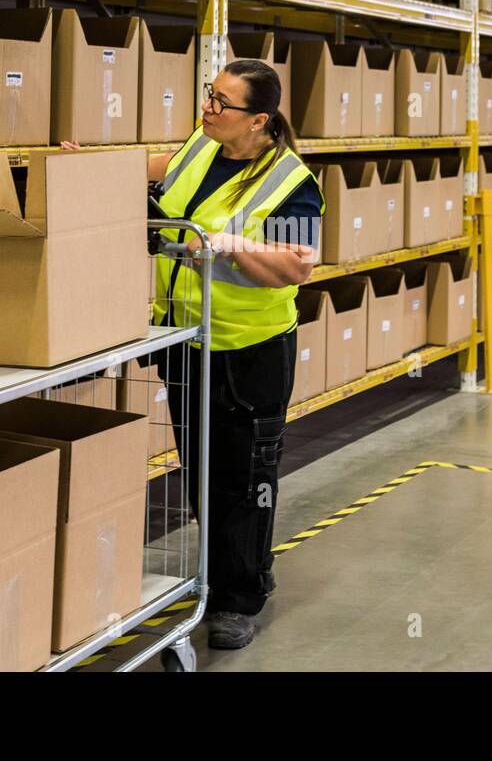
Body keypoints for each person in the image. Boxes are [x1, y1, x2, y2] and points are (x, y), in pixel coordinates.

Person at [147, 59, 323, 650]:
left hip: (249, 350)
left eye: (223, 102)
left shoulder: (290, 180)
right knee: (200, 464)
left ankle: (240, 597)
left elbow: (298, 265)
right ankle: (217, 576)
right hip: (186, 340)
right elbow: (163, 171)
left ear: (260, 120)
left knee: (244, 477)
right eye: (209, 95)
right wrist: (93, 164)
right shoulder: (204, 144)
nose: (209, 107)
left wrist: (236, 248)